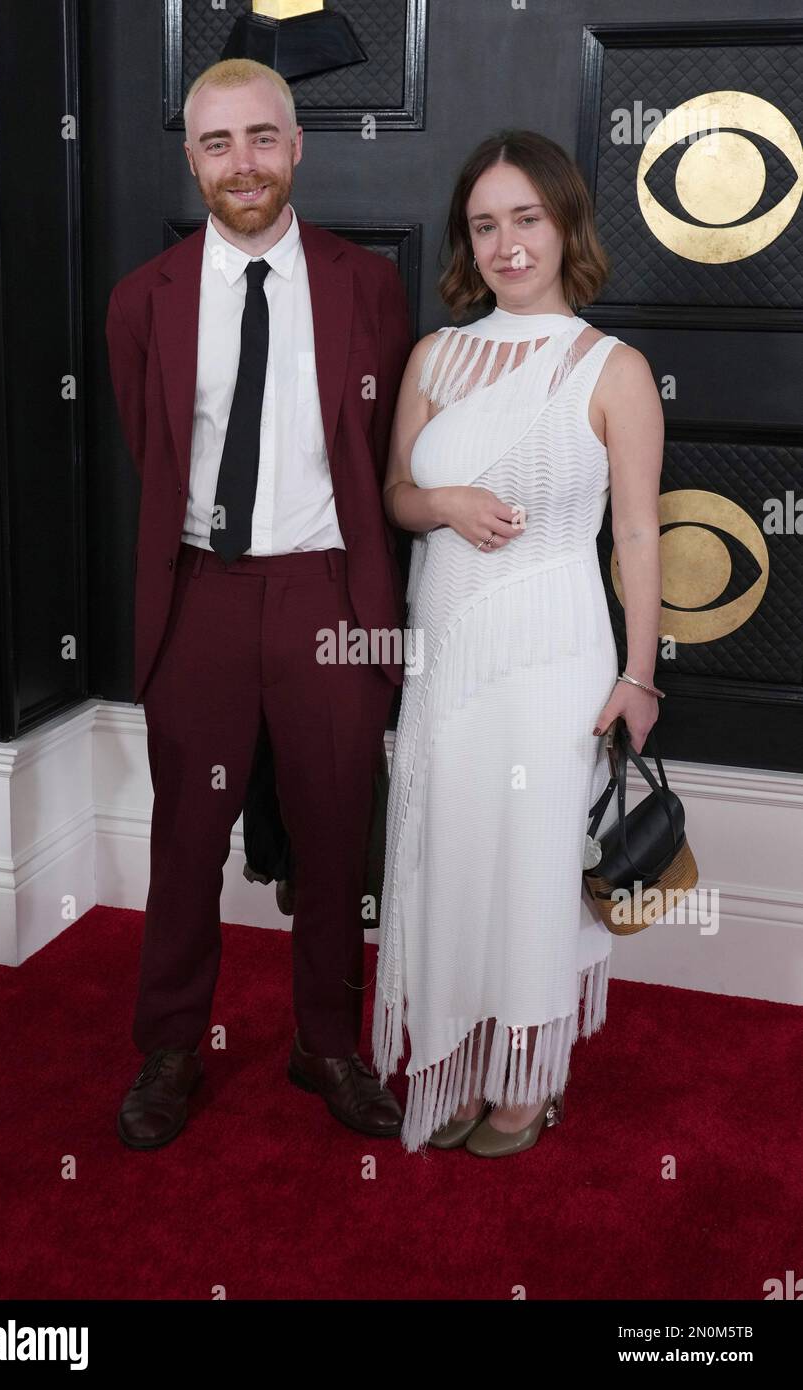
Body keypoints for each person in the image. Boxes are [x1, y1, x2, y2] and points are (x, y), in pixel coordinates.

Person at [105, 58, 413, 1149]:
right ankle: (172, 1047)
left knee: (336, 830)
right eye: (218, 143)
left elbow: (381, 453)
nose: (243, 163)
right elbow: (154, 449)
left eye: (261, 138)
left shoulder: (365, 285)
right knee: (186, 837)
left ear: (297, 148)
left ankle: (326, 1041)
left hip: (330, 588)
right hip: (201, 592)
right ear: (190, 159)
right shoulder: (141, 300)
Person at [372, 130, 664, 1156]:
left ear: (563, 224)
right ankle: (450, 1056)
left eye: (524, 219)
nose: (505, 244)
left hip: (555, 658)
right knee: (450, 853)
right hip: (447, 653)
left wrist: (639, 674)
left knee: (534, 863)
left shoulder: (611, 367)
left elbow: (633, 532)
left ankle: (528, 1076)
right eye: (484, 224)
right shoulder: (434, 355)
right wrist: (442, 500)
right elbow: (395, 498)